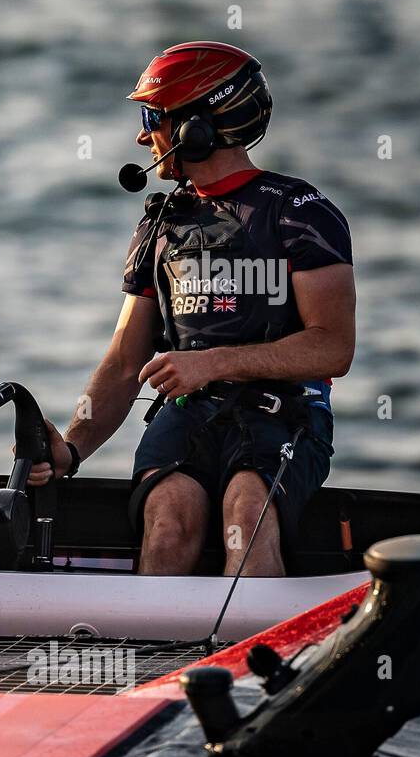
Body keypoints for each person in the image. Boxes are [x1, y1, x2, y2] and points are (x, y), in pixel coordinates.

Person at [28, 42, 355, 576]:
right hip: (188, 416)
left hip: (286, 412)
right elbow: (123, 363)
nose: (141, 136)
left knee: (247, 514)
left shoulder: (301, 212)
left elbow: (333, 346)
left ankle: (246, 657)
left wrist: (214, 362)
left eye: (151, 118)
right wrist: (72, 448)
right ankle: (161, 658)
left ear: (196, 128)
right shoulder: (159, 226)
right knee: (169, 518)